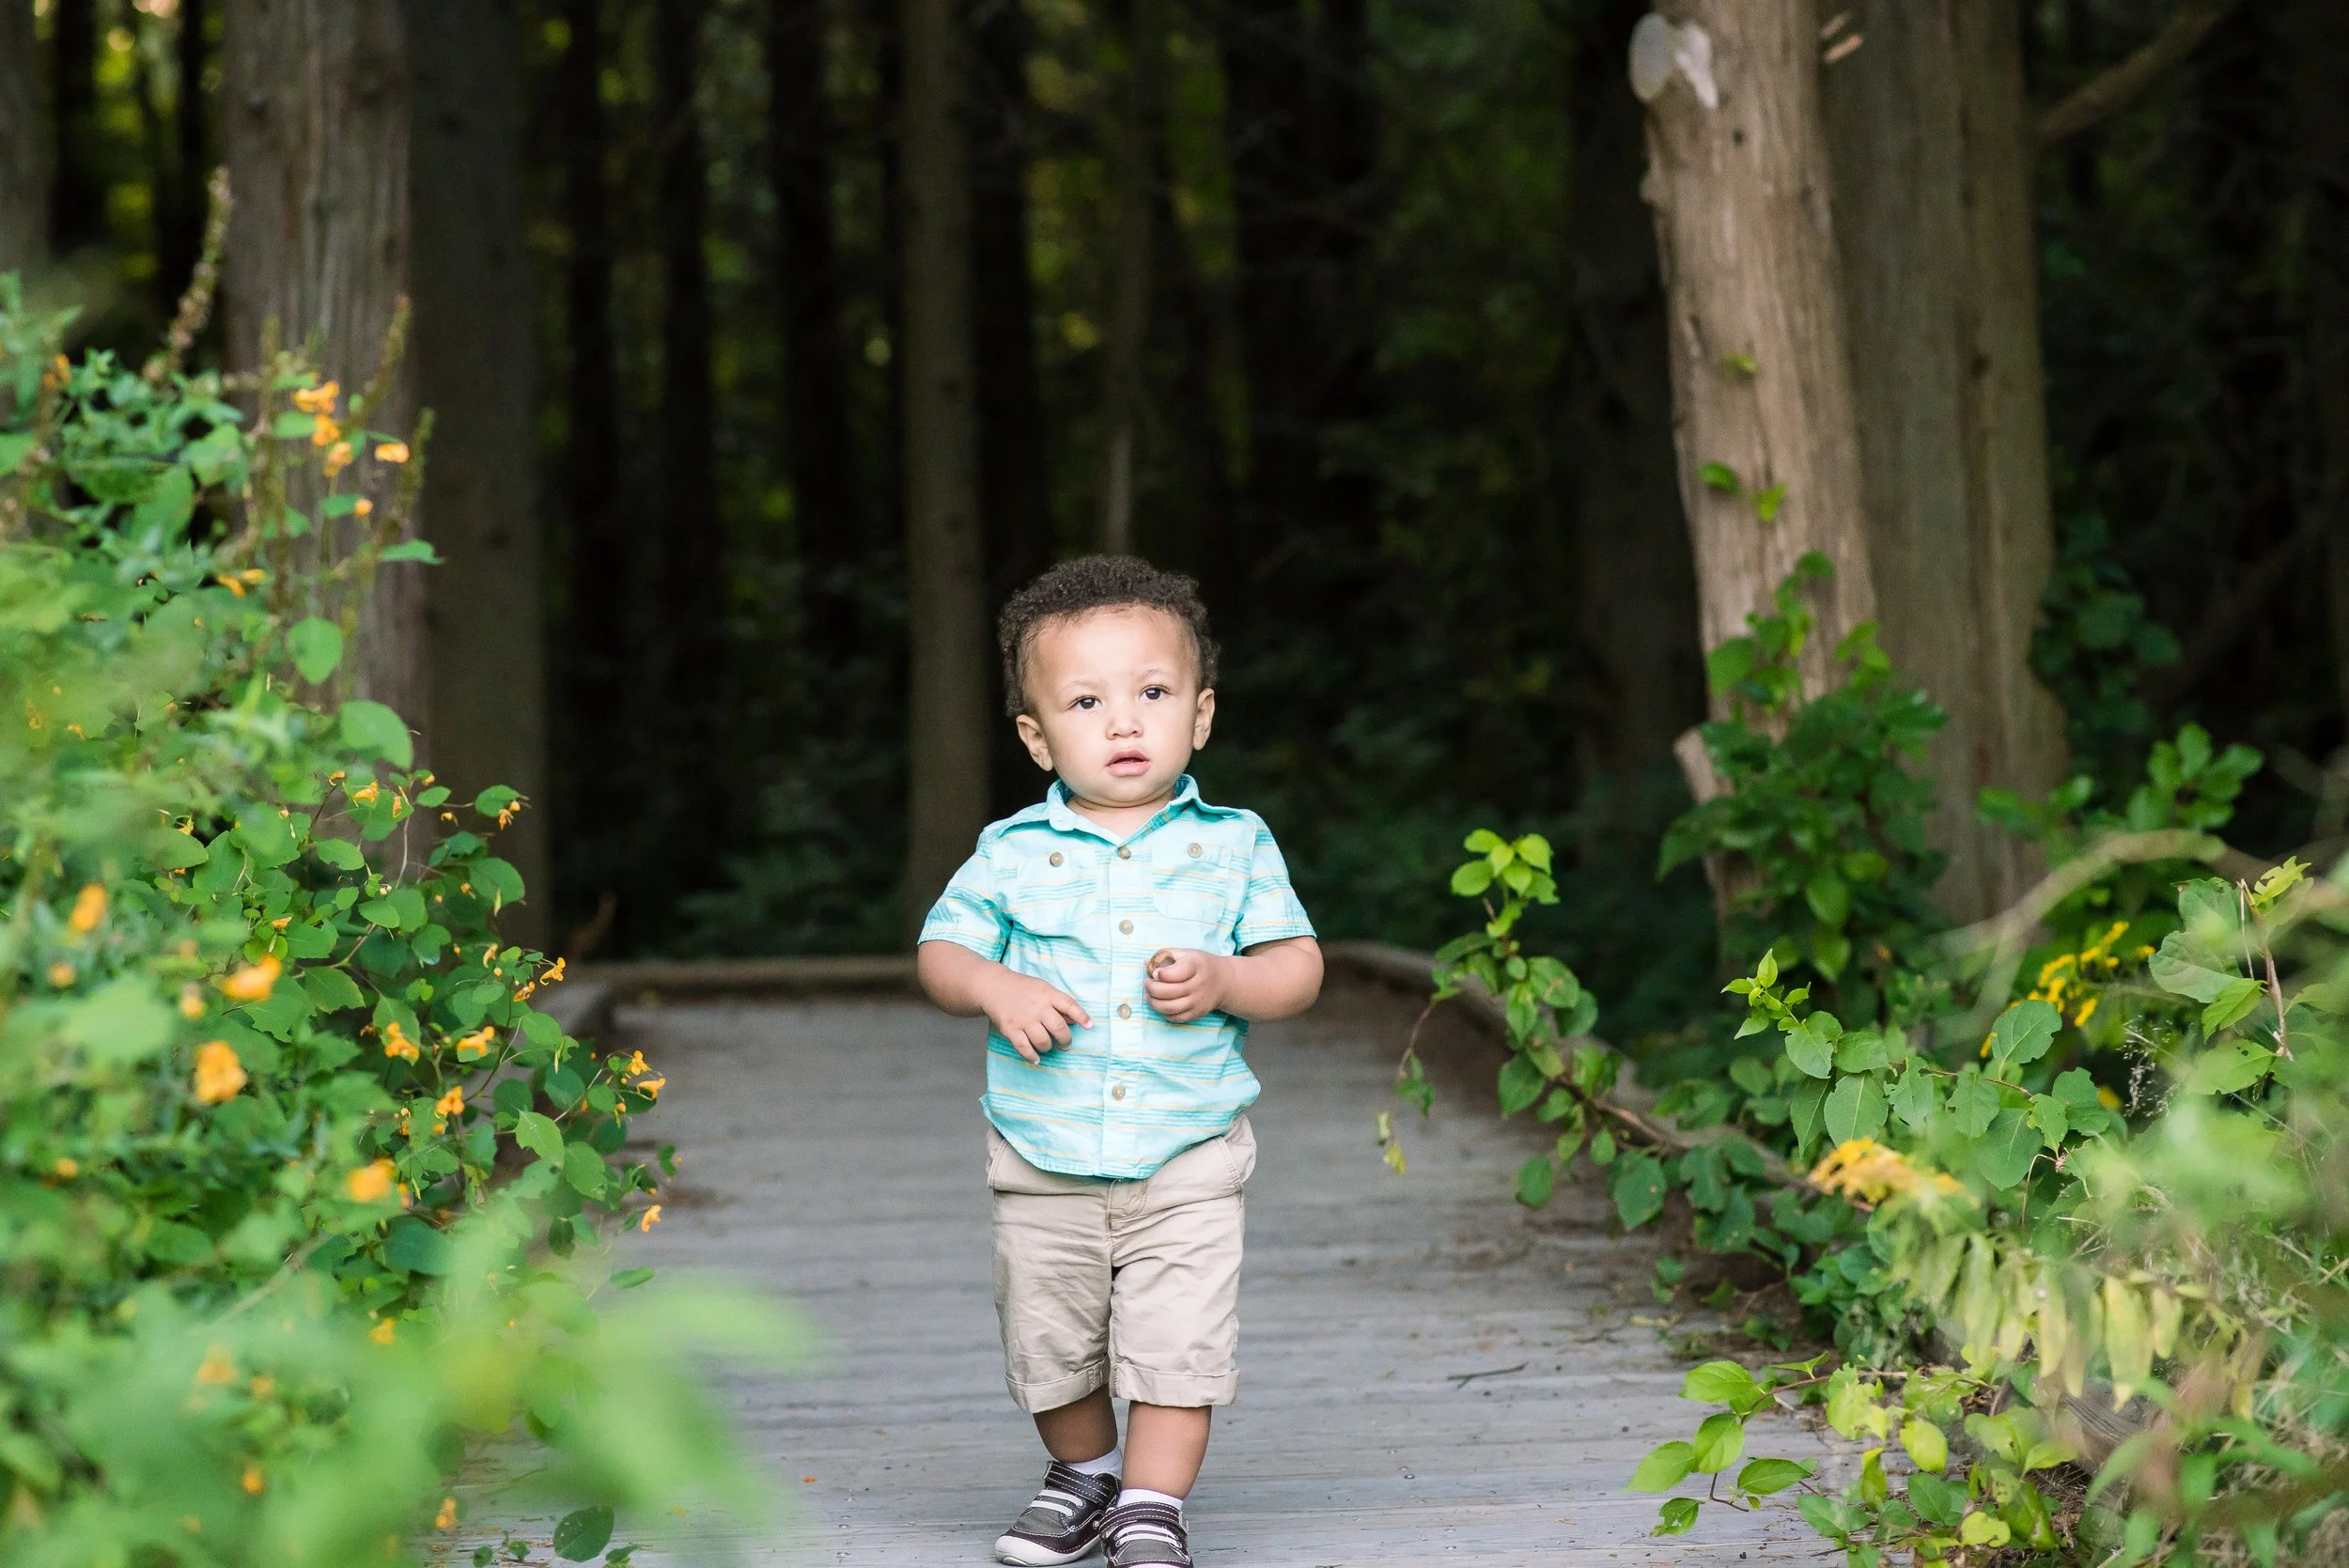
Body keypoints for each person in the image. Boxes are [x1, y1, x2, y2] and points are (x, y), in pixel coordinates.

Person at [916, 555, 1324, 1567]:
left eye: (1152, 693)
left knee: (1178, 1346)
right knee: (1048, 1347)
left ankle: (1151, 1504)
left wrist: (1230, 980)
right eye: (1087, 701)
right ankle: (1085, 1474)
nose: (1124, 722)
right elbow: (941, 953)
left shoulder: (1234, 844)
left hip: (1186, 1153)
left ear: (1201, 714)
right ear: (1035, 734)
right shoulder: (1008, 851)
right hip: (1043, 1155)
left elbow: (1299, 966)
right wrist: (997, 987)